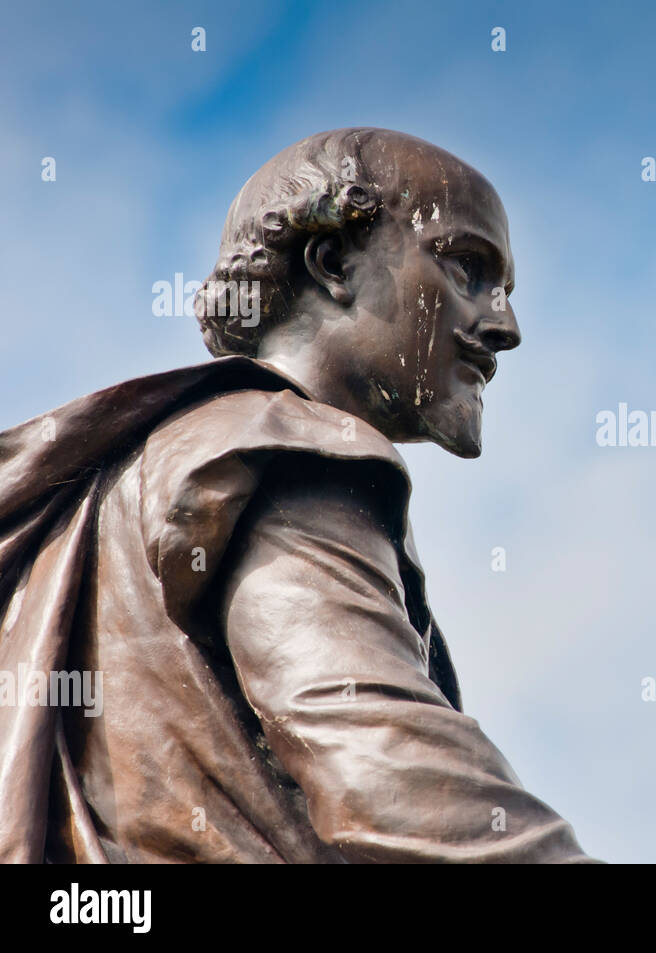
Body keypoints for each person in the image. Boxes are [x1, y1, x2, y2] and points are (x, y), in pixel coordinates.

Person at [0, 128, 596, 863]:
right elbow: (378, 761)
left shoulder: (115, 484)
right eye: (467, 269)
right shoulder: (274, 448)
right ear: (333, 263)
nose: (504, 326)